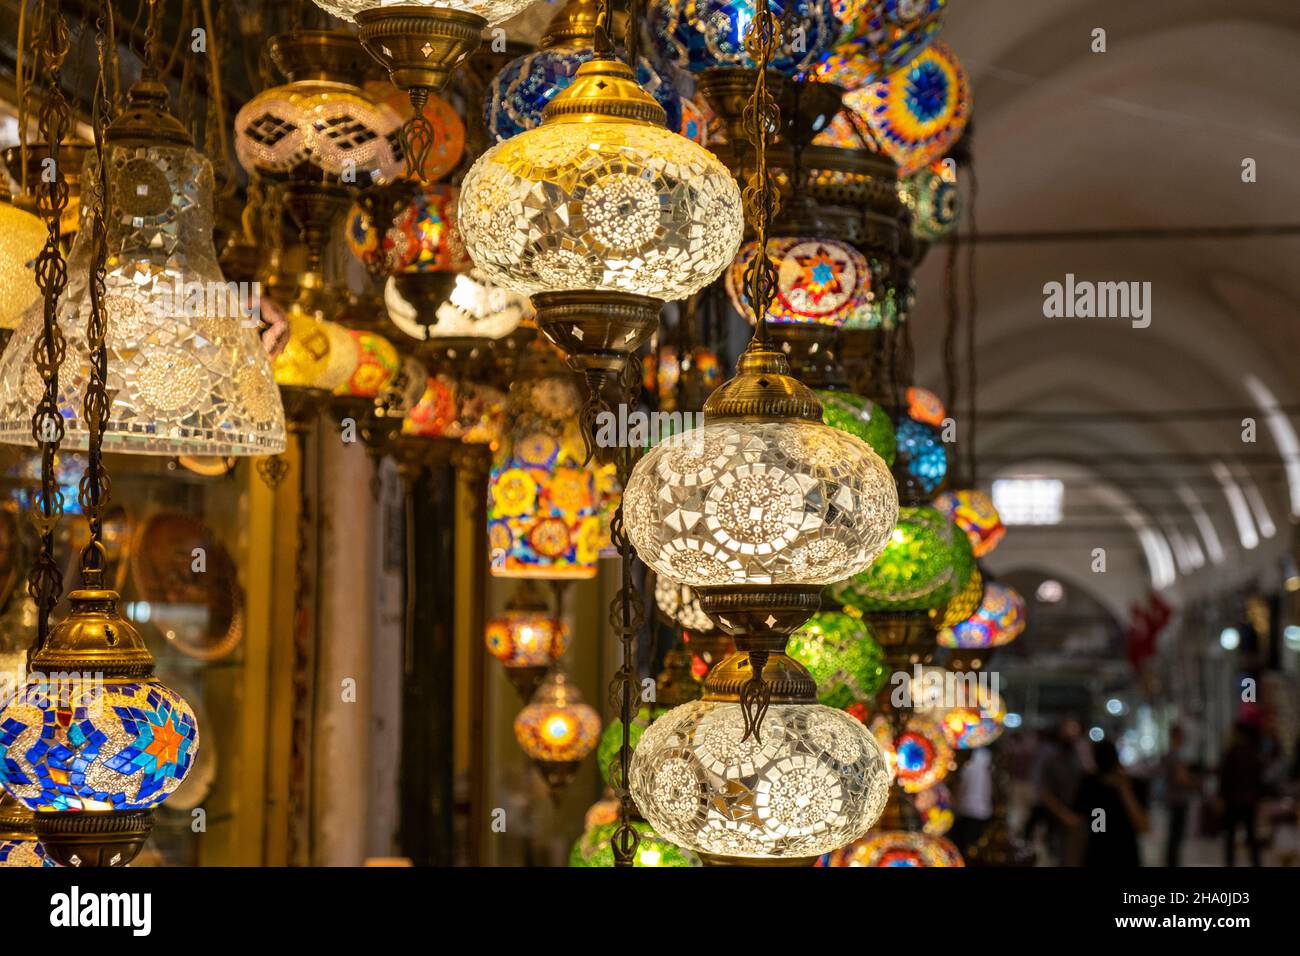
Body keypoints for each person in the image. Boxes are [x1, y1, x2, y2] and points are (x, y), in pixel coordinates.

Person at [1073, 739, 1148, 867]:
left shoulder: (1089, 783)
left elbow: (1080, 826)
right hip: (1108, 854)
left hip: (1110, 854)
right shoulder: (1090, 784)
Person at [1035, 721, 1083, 865]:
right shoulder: (1051, 760)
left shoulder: (1080, 758)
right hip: (1058, 818)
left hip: (1078, 818)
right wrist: (1063, 815)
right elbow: (1044, 792)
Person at [1219, 721, 1264, 866]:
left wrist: (1221, 797)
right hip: (1249, 800)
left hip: (1233, 801)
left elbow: (1225, 778)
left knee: (1231, 837)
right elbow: (1259, 778)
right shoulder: (1253, 752)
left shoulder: (1231, 753)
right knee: (1251, 836)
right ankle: (1256, 863)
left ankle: (1230, 863)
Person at [1162, 724, 1195, 867]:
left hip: (1177, 798)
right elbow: (1179, 778)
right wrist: (1193, 782)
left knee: (1175, 835)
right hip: (1177, 799)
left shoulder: (1174, 754)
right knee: (1175, 835)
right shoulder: (1173, 755)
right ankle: (1172, 862)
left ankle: (1173, 861)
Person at [951, 746, 994, 854]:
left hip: (966, 807)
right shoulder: (986, 755)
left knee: (964, 848)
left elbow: (959, 784)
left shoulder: (966, 755)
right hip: (980, 808)